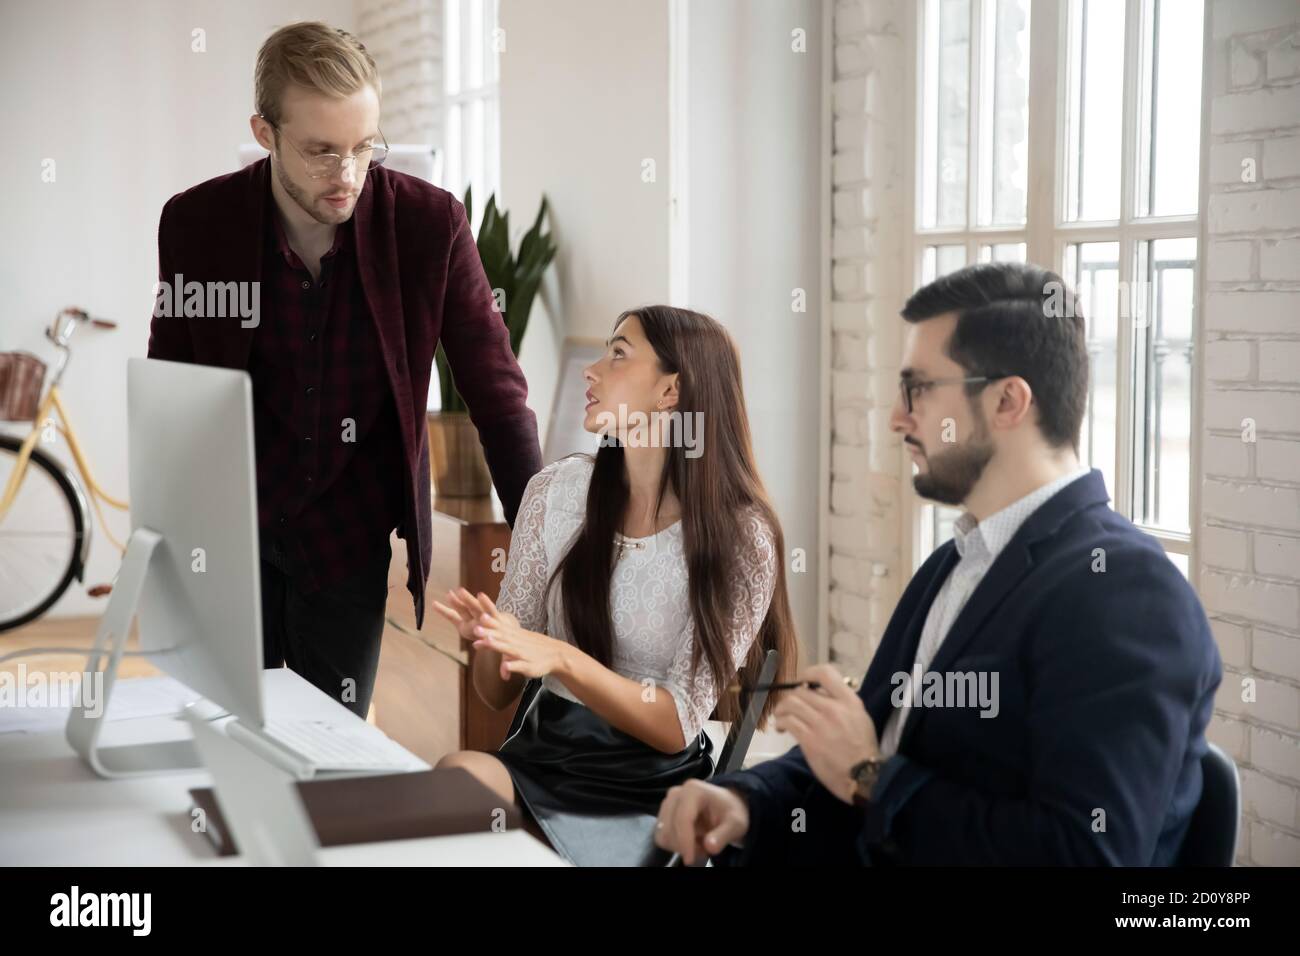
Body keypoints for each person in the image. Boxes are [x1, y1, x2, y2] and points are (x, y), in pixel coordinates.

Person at [653, 262, 1223, 866]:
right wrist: (747, 802)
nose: (899, 418)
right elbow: (870, 746)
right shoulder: (955, 564)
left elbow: (1082, 855)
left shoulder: (1127, 594)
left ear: (1008, 400)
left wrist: (870, 776)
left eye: (918, 389)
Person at [146, 22, 541, 719]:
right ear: (264, 133)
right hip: (231, 530)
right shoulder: (196, 223)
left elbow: (497, 394)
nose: (348, 174)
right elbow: (171, 388)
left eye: (365, 147)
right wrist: (161, 542)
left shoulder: (430, 228)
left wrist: (542, 552)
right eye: (321, 151)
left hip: (348, 537)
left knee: (334, 746)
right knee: (223, 736)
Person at [432, 305, 799, 865]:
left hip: (654, 788)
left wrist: (561, 658)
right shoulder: (556, 491)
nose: (593, 369)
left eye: (619, 355)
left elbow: (679, 722)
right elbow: (495, 693)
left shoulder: (740, 537)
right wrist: (494, 642)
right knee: (457, 780)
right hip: (544, 757)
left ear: (671, 391)